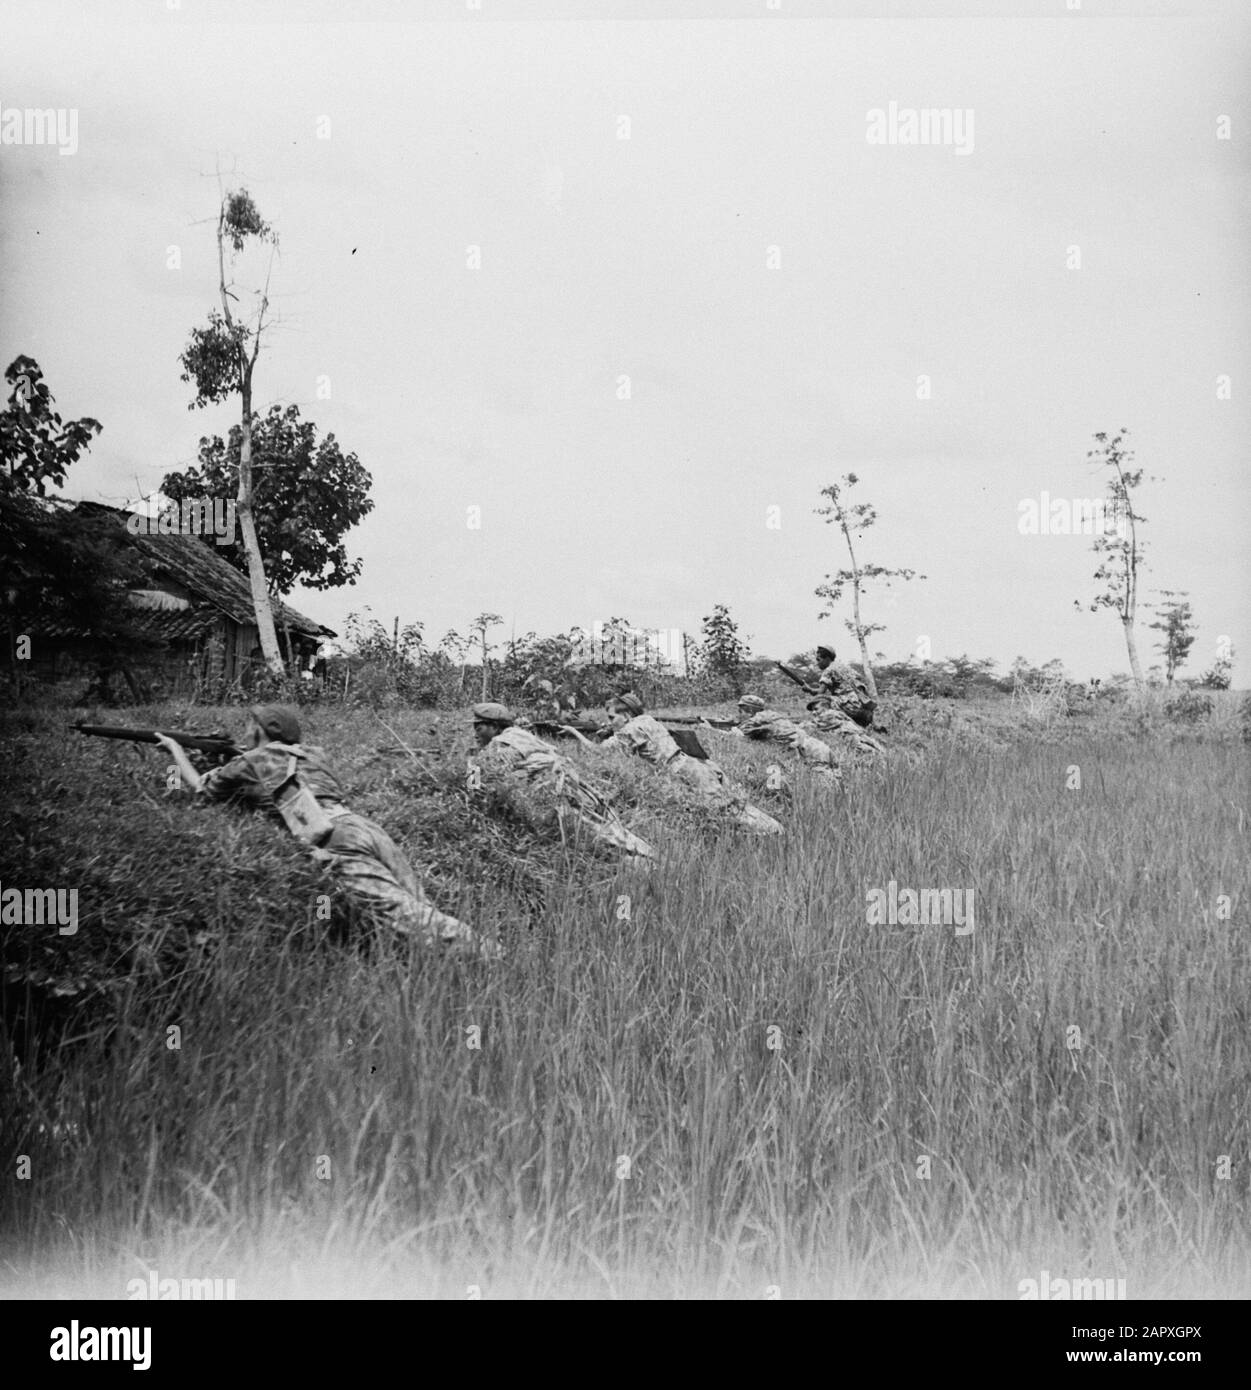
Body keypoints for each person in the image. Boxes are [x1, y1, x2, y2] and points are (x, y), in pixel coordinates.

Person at [155, 704, 497, 959]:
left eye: (249, 726)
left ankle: (491, 955)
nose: (245, 733)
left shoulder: (250, 761)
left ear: (260, 731)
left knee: (409, 919)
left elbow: (203, 790)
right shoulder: (315, 754)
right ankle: (453, 963)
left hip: (331, 838)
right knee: (421, 907)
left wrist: (176, 752)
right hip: (364, 827)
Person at [470, 702, 656, 860]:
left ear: (494, 727)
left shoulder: (500, 744)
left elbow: (476, 785)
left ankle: (649, 867)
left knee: (602, 843)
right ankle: (653, 858)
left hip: (561, 797)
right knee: (614, 834)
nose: (475, 734)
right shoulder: (519, 734)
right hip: (576, 787)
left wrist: (470, 765)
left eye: (479, 728)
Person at [595, 693, 782, 836]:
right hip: (698, 765)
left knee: (727, 811)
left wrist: (574, 731)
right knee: (735, 807)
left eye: (612, 718)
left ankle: (773, 832)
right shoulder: (646, 720)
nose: (610, 722)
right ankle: (775, 830)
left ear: (626, 715)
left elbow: (600, 752)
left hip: (687, 772)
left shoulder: (630, 729)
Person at [727, 694, 841, 783]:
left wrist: (716, 728)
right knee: (835, 785)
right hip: (817, 747)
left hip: (811, 751)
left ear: (750, 711)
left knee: (826, 788)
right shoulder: (771, 716)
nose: (739, 715)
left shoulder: (759, 718)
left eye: (740, 711)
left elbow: (740, 735)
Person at [814, 644, 876, 728]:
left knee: (821, 701)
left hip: (850, 705)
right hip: (862, 704)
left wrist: (809, 690)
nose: (817, 663)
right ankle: (863, 718)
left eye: (818, 659)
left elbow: (819, 693)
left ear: (827, 659)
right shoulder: (844, 667)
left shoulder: (829, 670)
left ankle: (831, 724)